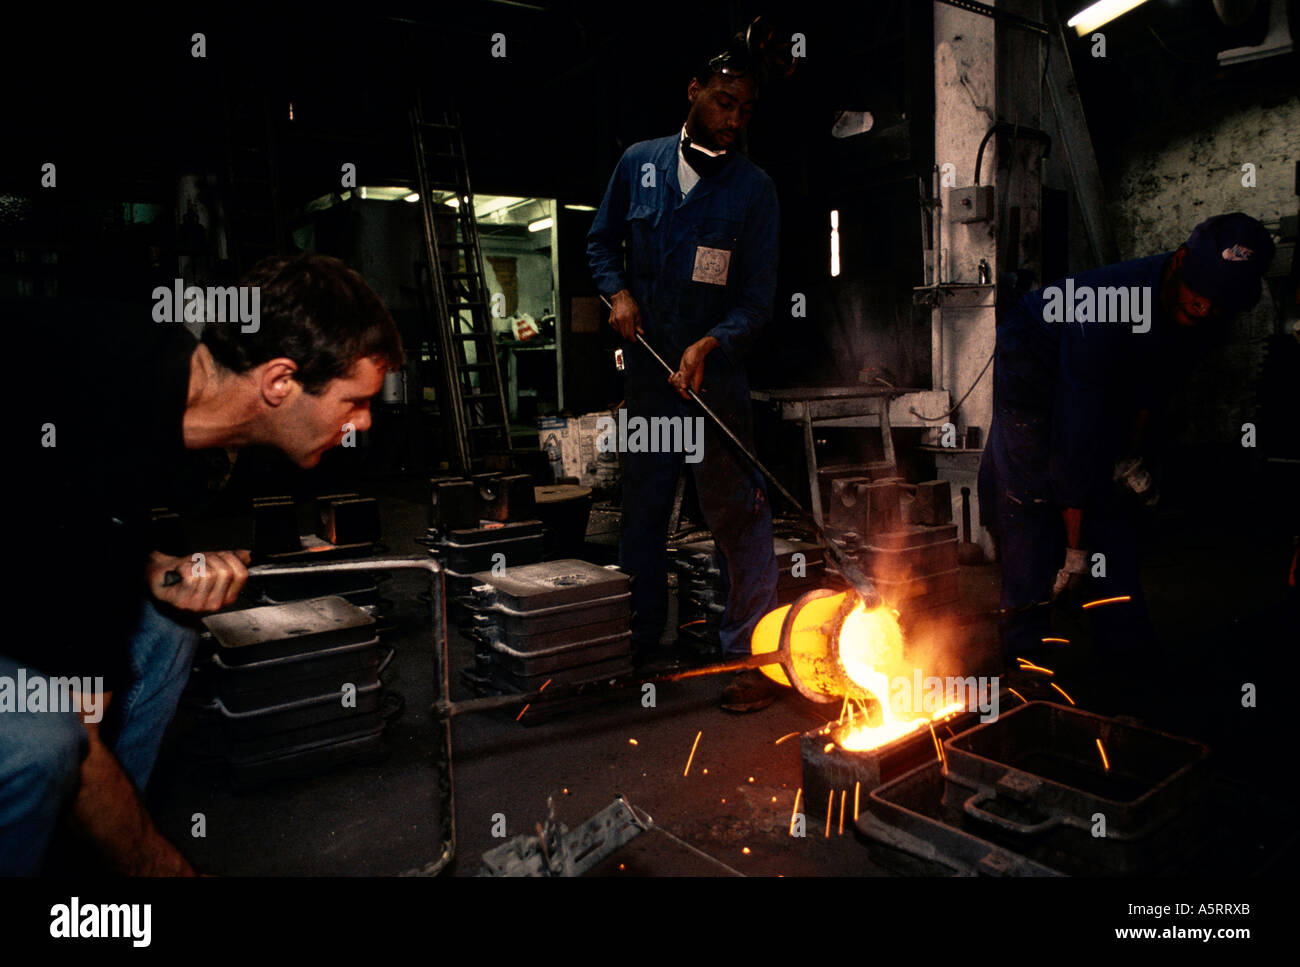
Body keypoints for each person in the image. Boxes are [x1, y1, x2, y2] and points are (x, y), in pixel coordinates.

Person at [2, 252, 402, 874]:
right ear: (278, 382)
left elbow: (45, 531)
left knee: (161, 636)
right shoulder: (105, 430)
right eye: (354, 401)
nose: (363, 421)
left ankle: (81, 858)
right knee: (44, 743)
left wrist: (154, 567)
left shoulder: (164, 382)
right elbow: (80, 725)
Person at [978, 212, 1274, 699]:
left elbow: (1153, 389)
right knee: (1029, 497)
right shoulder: (1104, 308)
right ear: (1179, 262)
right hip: (1035, 354)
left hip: (1107, 368)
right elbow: (1077, 433)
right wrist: (1074, 554)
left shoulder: (1211, 309)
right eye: (1198, 294)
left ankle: (1122, 638)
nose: (1203, 308)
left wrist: (1127, 456)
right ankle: (1024, 656)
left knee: (1113, 503)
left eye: (1216, 303)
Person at [587, 44, 781, 712]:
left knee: (737, 517)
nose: (735, 118)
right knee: (643, 513)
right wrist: (616, 291)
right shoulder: (638, 164)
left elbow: (758, 301)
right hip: (649, 377)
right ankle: (640, 643)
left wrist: (711, 342)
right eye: (725, 102)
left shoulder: (754, 190)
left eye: (746, 109)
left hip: (714, 382)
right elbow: (598, 240)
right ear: (693, 90)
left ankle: (750, 656)